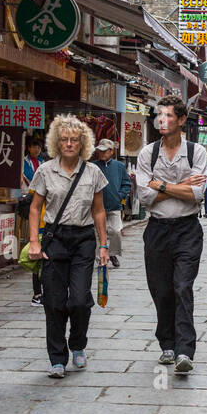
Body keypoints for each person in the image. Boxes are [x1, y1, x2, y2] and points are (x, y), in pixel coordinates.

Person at [28, 115, 111, 379]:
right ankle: (57, 358)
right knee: (53, 301)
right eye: (64, 139)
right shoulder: (45, 171)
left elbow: (99, 211)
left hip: (84, 239)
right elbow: (34, 208)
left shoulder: (93, 172)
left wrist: (104, 246)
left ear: (83, 143)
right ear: (56, 142)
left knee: (79, 299)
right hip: (55, 239)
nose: (69, 144)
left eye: (74, 140)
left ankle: (77, 344)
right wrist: (33, 241)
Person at [137, 96, 207, 374]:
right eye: (159, 116)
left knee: (182, 287)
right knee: (162, 290)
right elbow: (145, 196)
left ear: (180, 120)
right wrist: (180, 185)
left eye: (168, 116)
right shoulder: (148, 154)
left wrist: (161, 185)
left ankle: (184, 350)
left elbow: (197, 194)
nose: (161, 121)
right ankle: (166, 343)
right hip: (157, 230)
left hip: (187, 229)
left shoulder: (196, 152)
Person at [93, 137, 130, 268]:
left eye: (104, 151)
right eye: (100, 151)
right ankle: (101, 260)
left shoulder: (119, 166)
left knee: (115, 231)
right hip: (97, 207)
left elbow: (126, 183)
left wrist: (119, 196)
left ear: (111, 151)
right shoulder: (93, 166)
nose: (101, 153)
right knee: (98, 233)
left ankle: (113, 253)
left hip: (114, 205)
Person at [21, 135, 47, 305]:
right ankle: (37, 294)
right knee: (37, 259)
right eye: (33, 146)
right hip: (38, 223)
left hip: (49, 224)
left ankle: (44, 292)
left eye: (38, 146)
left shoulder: (44, 164)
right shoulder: (25, 163)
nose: (36, 149)